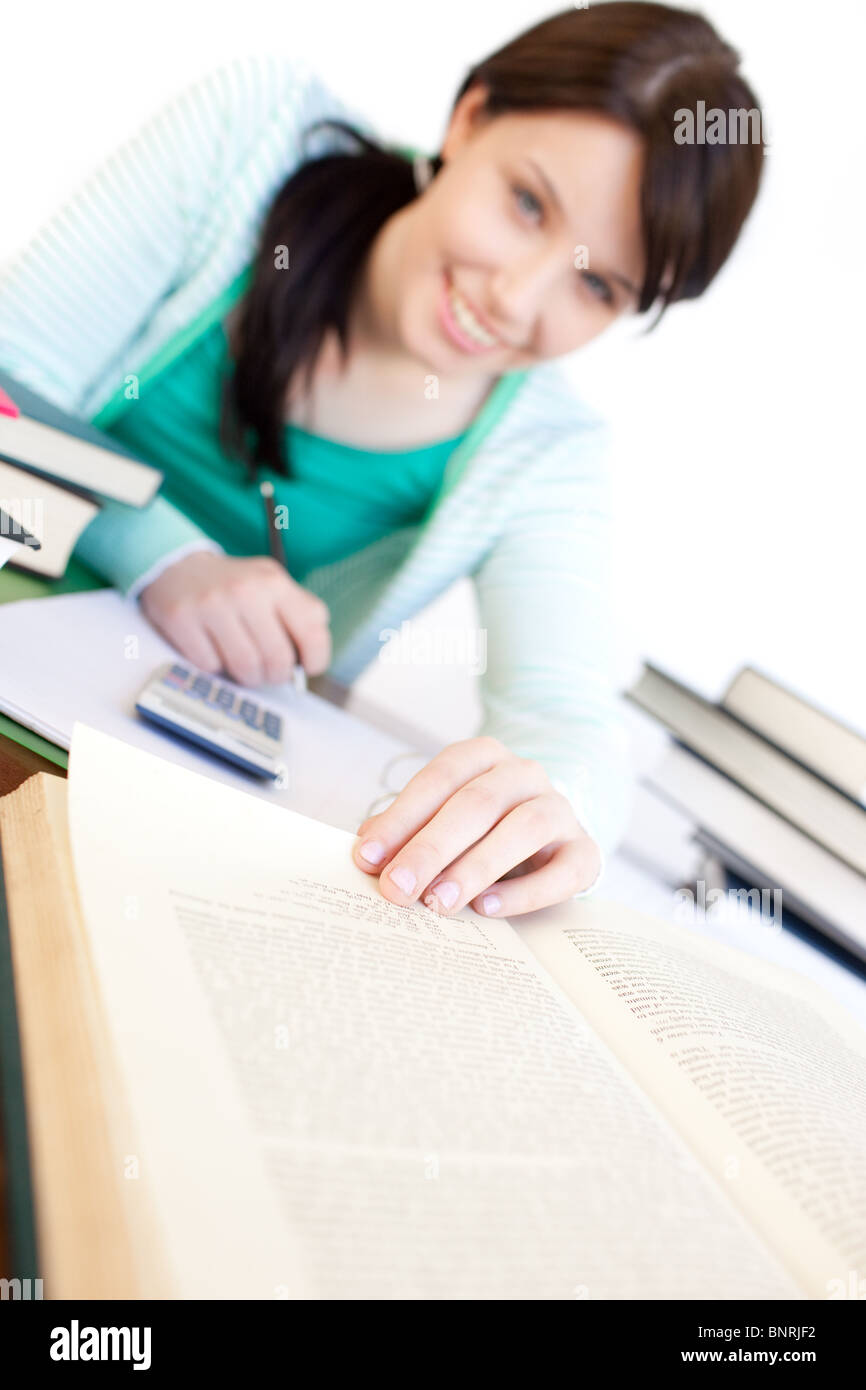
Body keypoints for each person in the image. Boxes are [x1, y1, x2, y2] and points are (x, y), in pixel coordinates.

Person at [0, 4, 765, 919]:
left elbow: (566, 715)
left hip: (138, 811)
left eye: (596, 284)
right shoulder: (254, 131)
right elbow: (10, 381)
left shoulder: (545, 453)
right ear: (470, 118)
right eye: (527, 203)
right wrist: (166, 558)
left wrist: (553, 806)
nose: (515, 299)